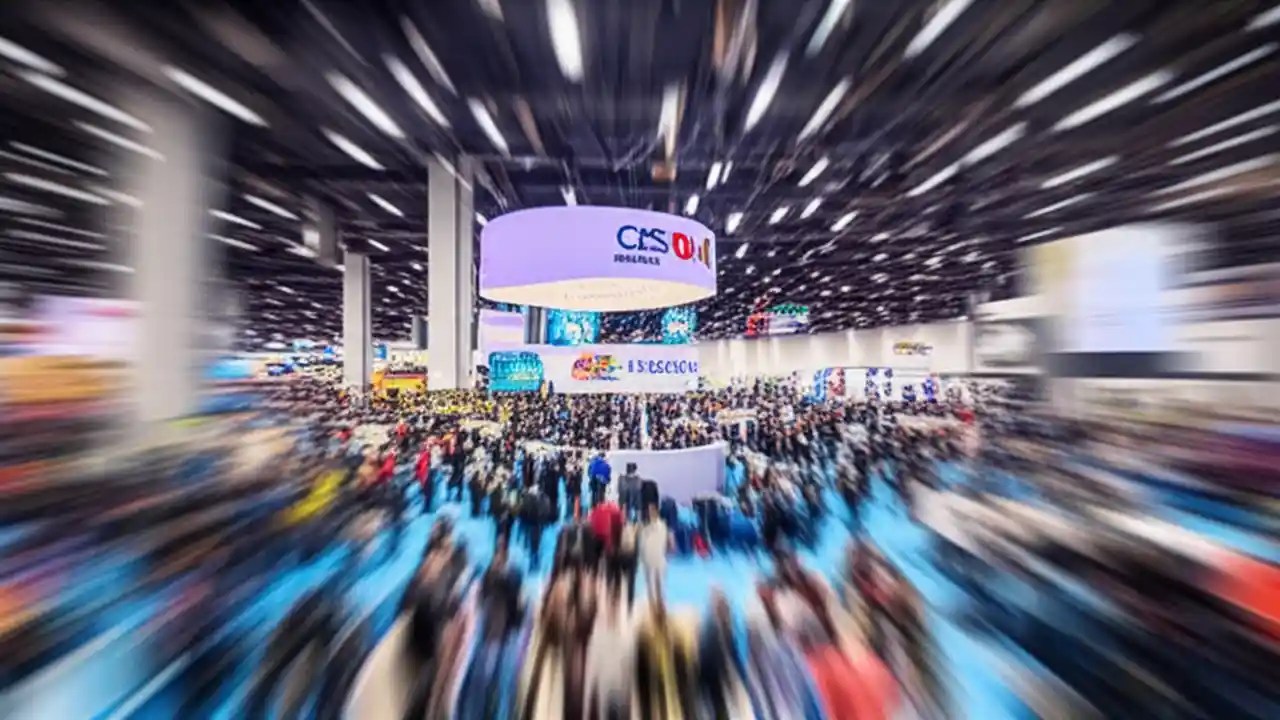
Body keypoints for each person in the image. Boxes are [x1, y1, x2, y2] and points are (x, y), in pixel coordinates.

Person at [638, 504, 672, 605]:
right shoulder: (646, 529)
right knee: (653, 589)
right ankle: (656, 607)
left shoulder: (661, 527)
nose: (650, 514)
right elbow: (641, 546)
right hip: (650, 561)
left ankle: (659, 607)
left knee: (659, 589)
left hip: (657, 560)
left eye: (652, 511)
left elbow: (668, 545)